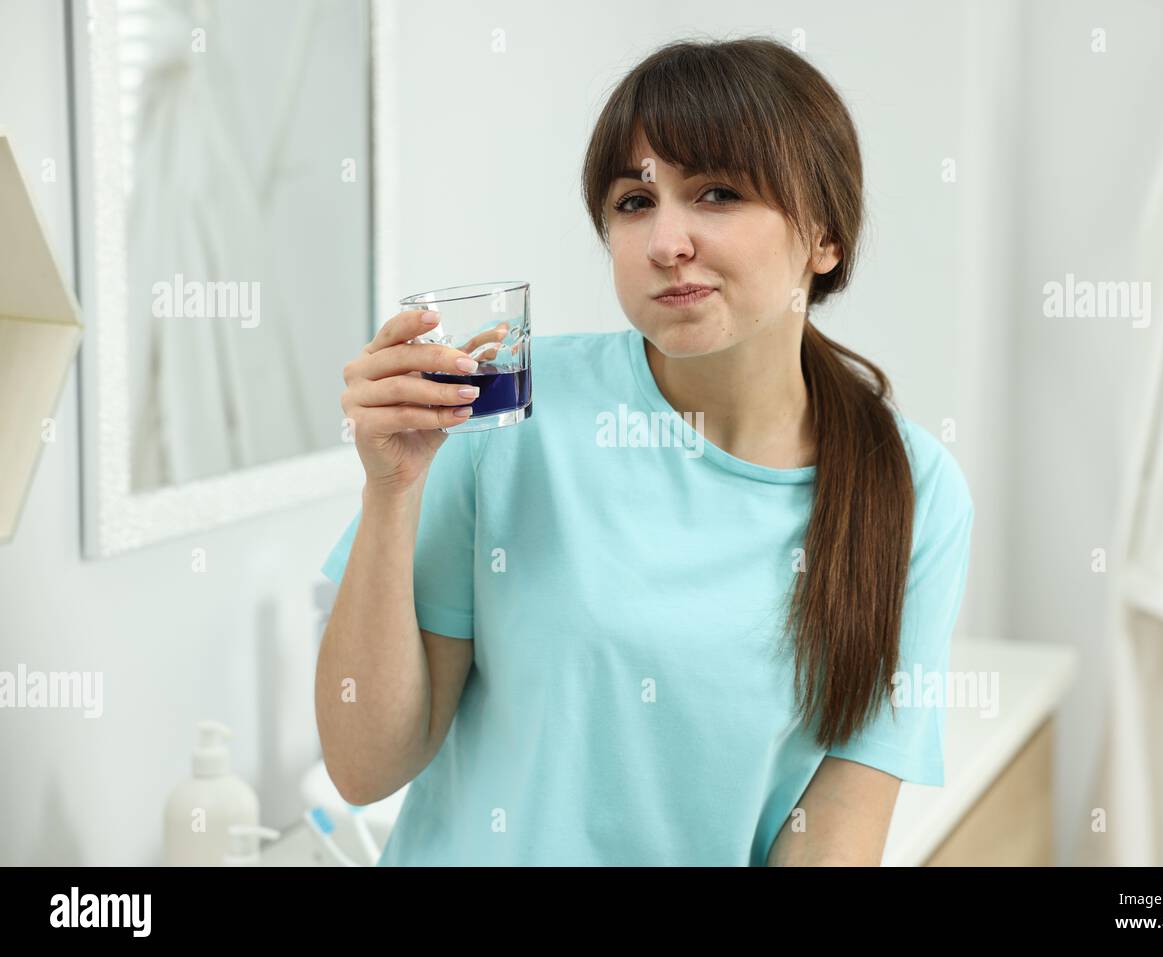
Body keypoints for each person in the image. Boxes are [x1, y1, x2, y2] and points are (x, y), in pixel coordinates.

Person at [315, 35, 974, 866]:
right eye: (635, 201)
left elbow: (837, 830)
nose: (667, 242)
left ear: (824, 237)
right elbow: (364, 765)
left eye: (718, 193)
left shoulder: (913, 490)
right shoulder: (514, 411)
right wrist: (392, 491)